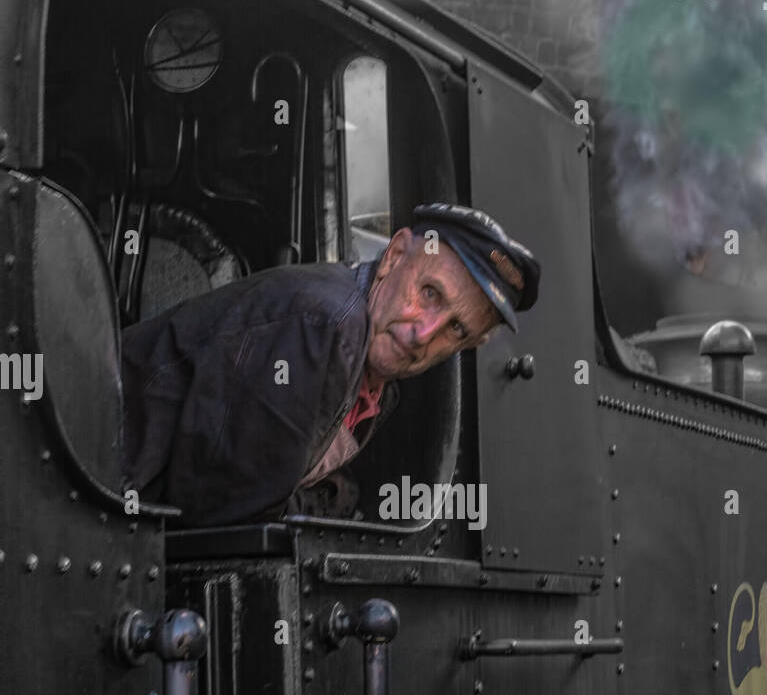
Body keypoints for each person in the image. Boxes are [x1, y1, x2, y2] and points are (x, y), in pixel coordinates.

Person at [121, 204, 540, 526]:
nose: (425, 333)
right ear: (394, 256)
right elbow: (231, 515)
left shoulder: (377, 384)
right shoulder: (331, 326)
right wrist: (335, 497)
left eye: (456, 330)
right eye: (430, 293)